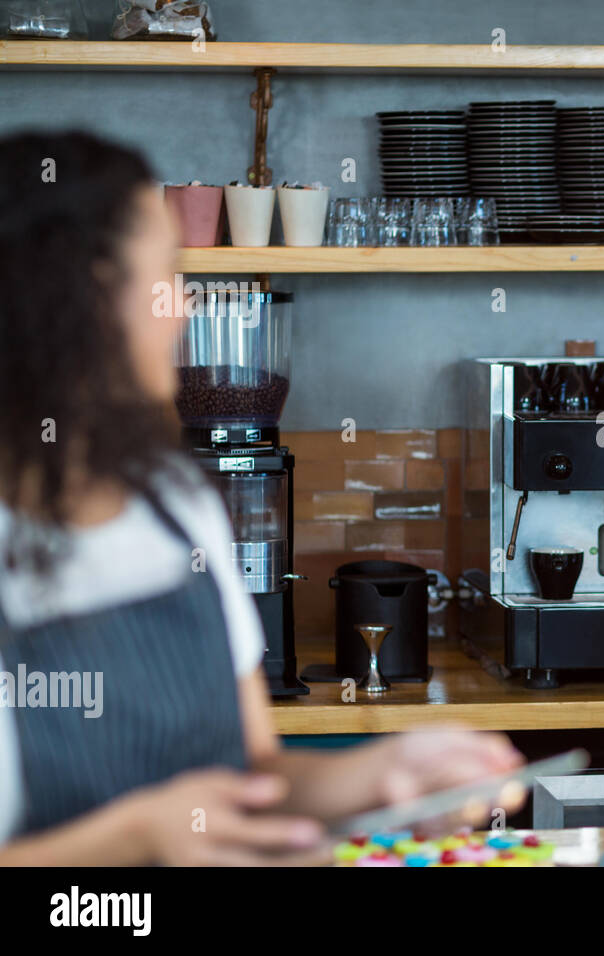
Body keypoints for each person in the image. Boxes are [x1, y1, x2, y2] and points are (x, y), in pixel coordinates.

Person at [0, 131, 523, 865]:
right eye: (165, 281)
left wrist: (380, 776)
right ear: (81, 303)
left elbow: (255, 775)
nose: (182, 312)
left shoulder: (176, 504)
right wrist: (137, 838)